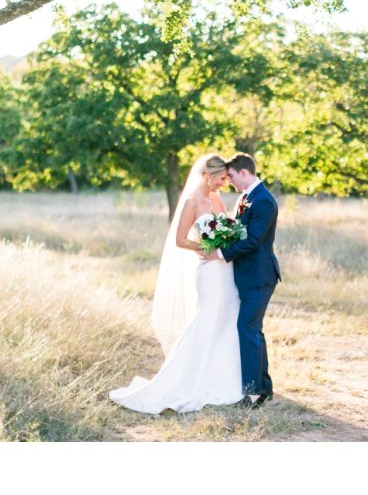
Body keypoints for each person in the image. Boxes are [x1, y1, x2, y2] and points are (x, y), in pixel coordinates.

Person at [109, 154, 243, 414]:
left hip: (225, 269)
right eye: (221, 178)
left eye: (226, 178)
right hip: (207, 271)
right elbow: (180, 240)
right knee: (205, 320)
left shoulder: (215, 199)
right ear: (208, 175)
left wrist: (228, 240)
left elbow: (226, 226)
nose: (224, 183)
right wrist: (207, 245)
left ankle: (223, 380)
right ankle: (185, 380)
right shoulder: (192, 201)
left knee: (226, 319)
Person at [202, 152, 281, 408]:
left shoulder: (264, 201)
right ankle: (265, 387)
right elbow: (238, 231)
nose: (231, 181)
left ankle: (252, 394)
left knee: (246, 329)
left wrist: (221, 253)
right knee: (253, 330)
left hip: (259, 276)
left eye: (233, 176)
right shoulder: (245, 197)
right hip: (247, 276)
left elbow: (254, 240)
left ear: (244, 173)